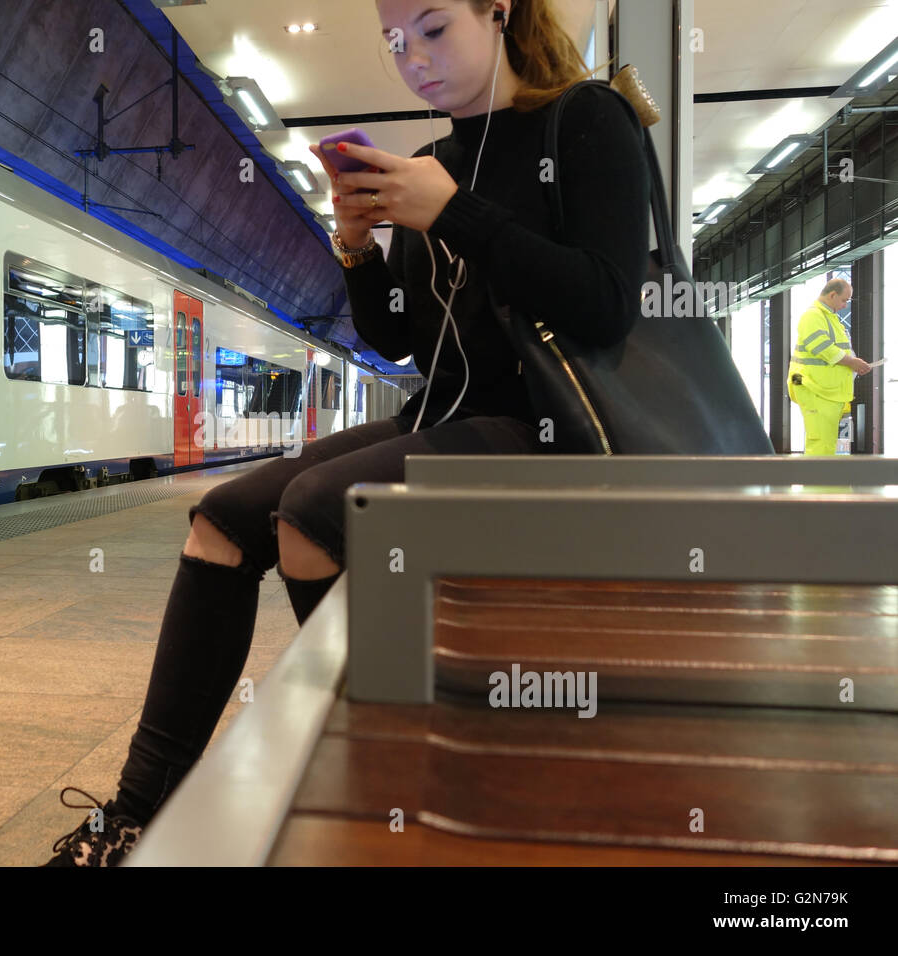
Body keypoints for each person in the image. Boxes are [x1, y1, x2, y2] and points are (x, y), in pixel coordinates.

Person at [42, 0, 649, 866]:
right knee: (219, 520)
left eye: (435, 30)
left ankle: (391, 791)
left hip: (544, 426)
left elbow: (607, 301)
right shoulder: (433, 161)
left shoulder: (587, 119)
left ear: (499, 11)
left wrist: (455, 215)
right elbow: (397, 337)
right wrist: (359, 245)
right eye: (397, 42)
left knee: (315, 512)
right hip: (437, 415)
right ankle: (135, 816)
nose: (415, 60)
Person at [787, 278, 872, 456]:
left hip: (827, 392)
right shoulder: (813, 316)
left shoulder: (830, 319)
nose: (844, 305)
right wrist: (853, 363)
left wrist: (854, 365)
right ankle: (820, 483)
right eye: (844, 300)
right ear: (832, 295)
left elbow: (839, 352)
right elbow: (821, 347)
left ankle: (828, 483)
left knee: (829, 444)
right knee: (821, 444)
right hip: (814, 389)